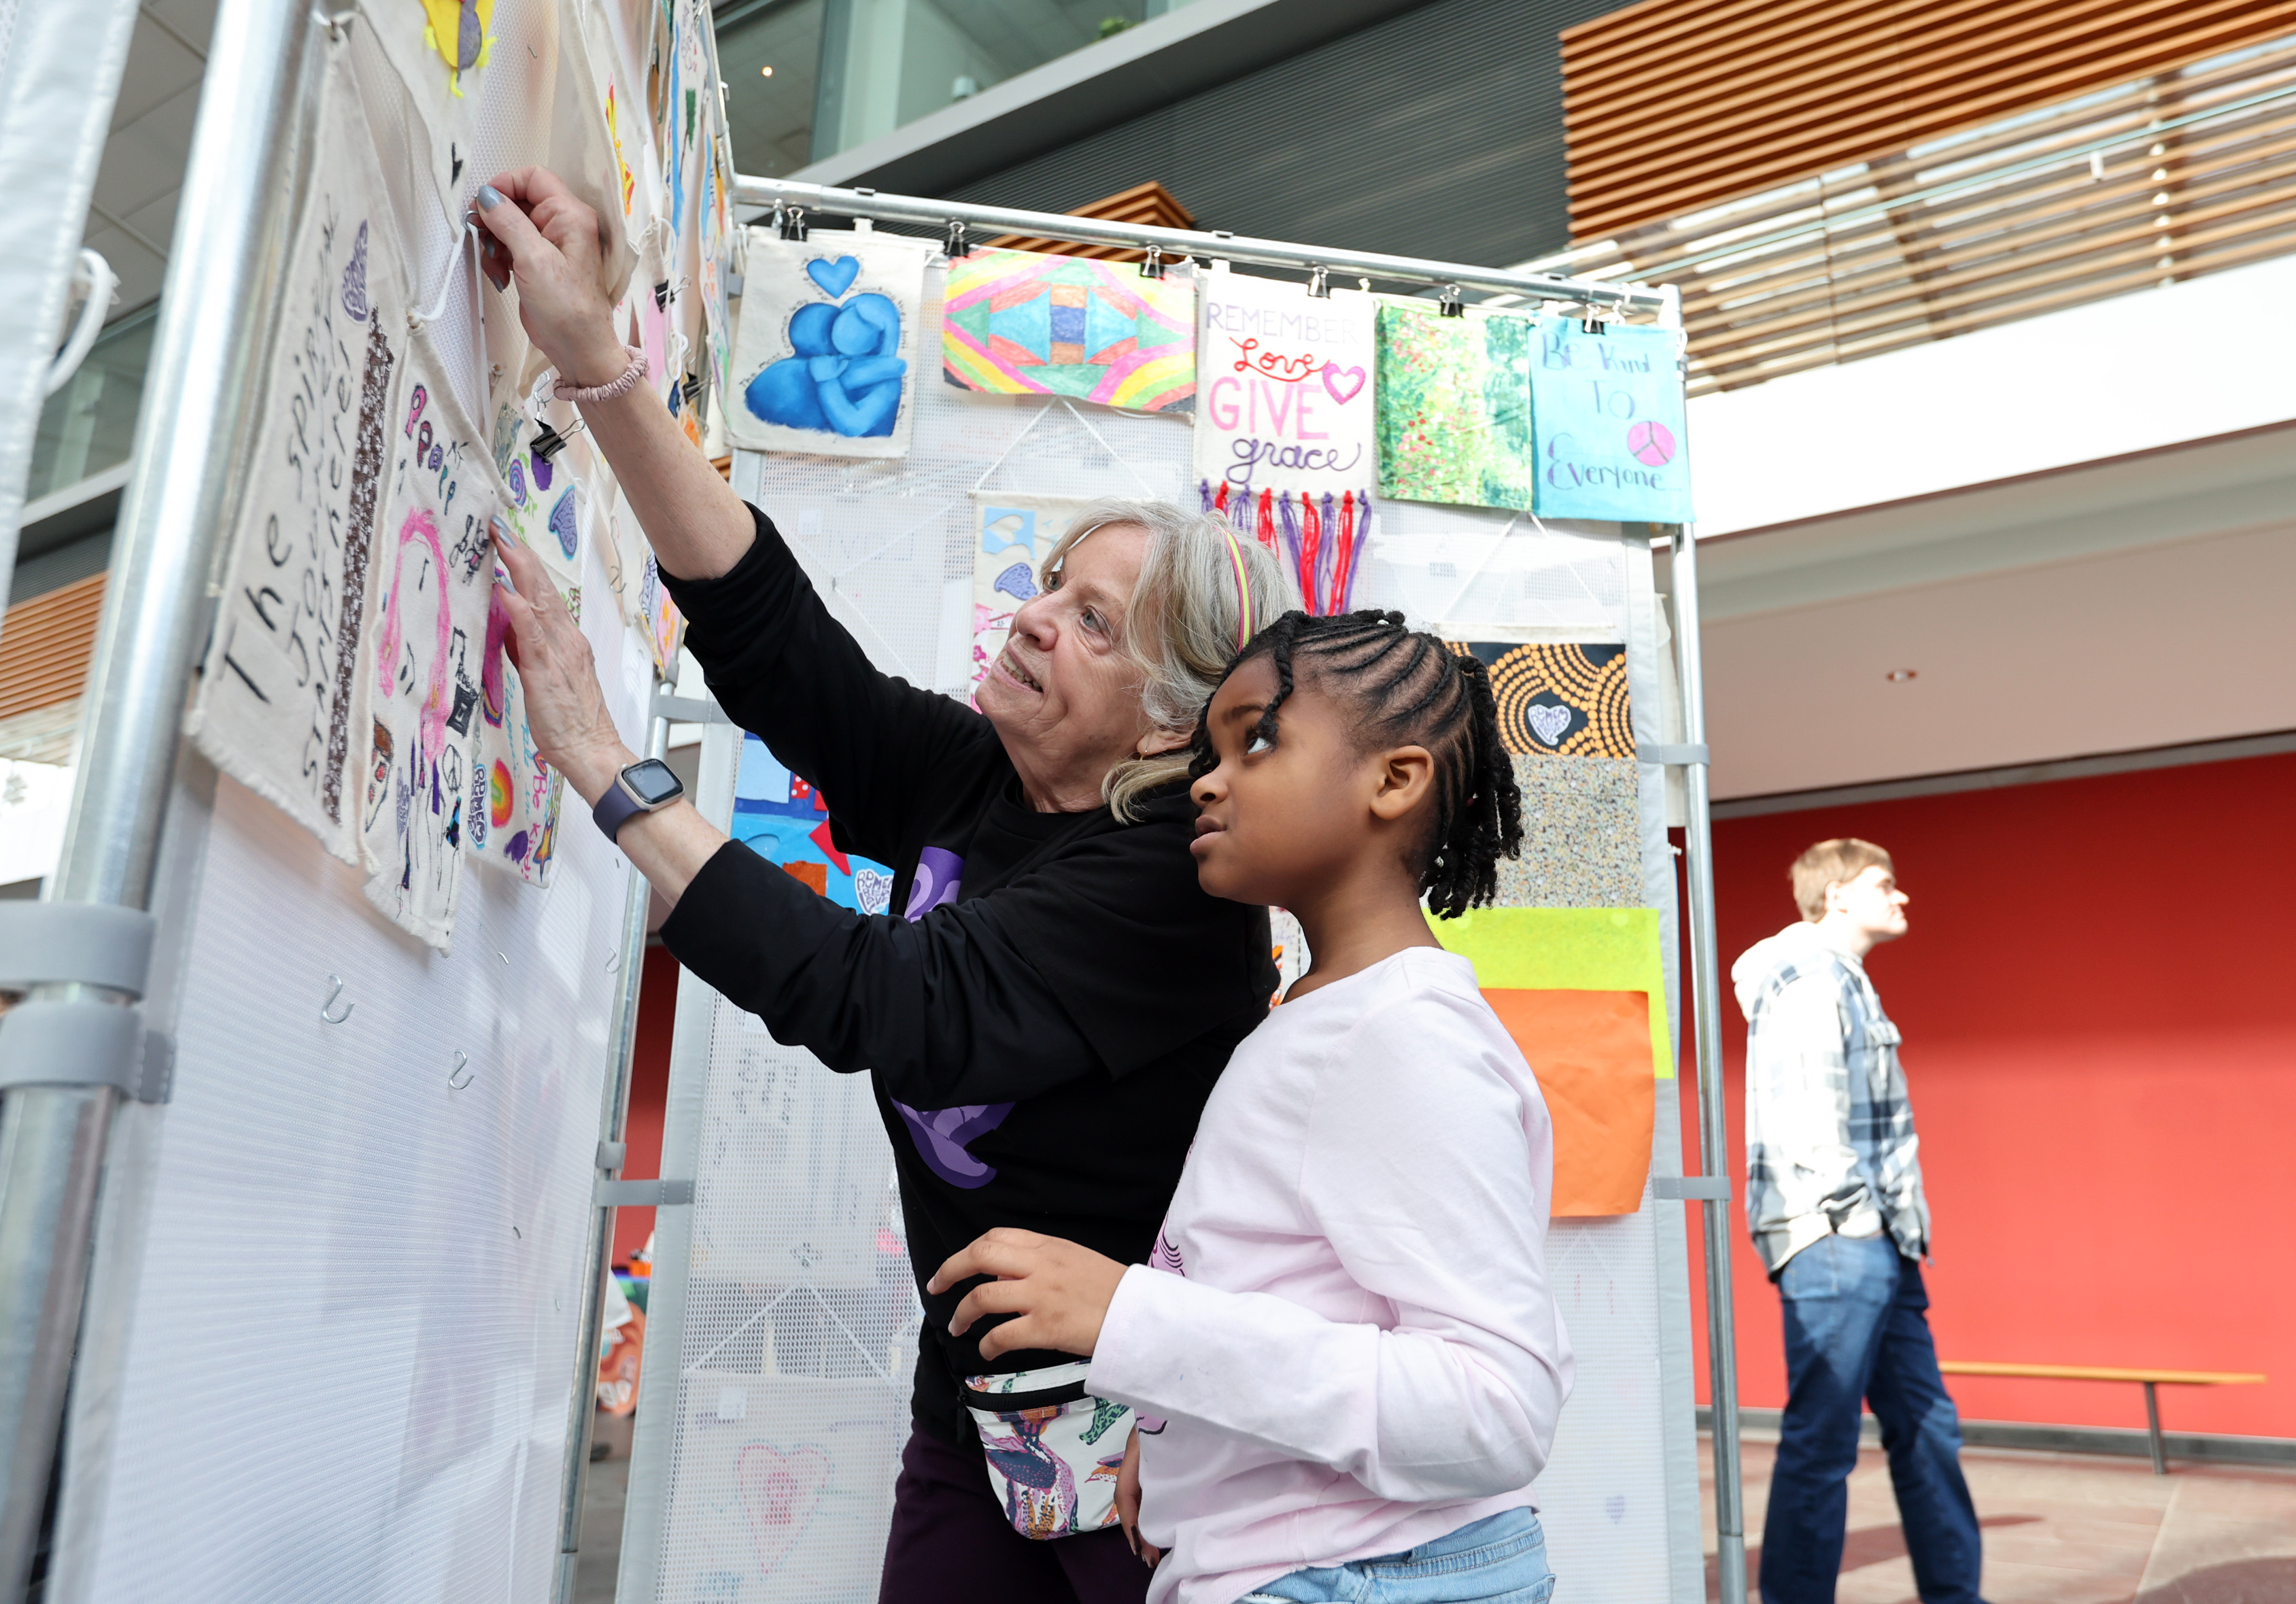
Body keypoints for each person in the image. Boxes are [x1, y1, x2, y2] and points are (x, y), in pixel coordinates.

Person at [472, 169, 1293, 1604]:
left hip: (1156, 1448)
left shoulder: (1173, 887)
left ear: (1170, 719)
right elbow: (784, 649)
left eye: (1093, 621)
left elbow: (882, 999)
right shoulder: (987, 772)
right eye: (1051, 584)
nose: (1033, 617)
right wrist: (598, 364)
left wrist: (604, 764)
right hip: (979, 1409)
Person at [927, 611, 1575, 1604]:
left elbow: (1497, 1408)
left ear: (1395, 780)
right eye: (1210, 752)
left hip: (1365, 1577)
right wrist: (1182, 1438)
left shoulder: (1400, 1035)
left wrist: (1131, 1317)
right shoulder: (1331, 1017)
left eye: (1256, 740)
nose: (1206, 780)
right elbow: (1301, 1297)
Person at [1731, 839, 1983, 1604]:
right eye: (1884, 883)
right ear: (1836, 895)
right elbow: (1813, 1119)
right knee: (1823, 1440)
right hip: (1840, 1241)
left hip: (1880, 1242)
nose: (1900, 896)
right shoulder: (1812, 976)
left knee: (1926, 1427)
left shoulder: (1842, 977)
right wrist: (1857, 1221)